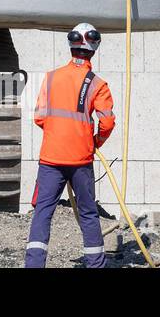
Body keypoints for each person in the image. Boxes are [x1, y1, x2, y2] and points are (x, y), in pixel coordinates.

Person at [25, 22, 115, 268]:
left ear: (71, 46)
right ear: (94, 48)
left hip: (51, 159)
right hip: (81, 160)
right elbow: (107, 122)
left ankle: (33, 265)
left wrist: (58, 134)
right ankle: (95, 264)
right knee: (87, 213)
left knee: (43, 212)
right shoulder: (98, 84)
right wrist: (94, 141)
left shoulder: (51, 78)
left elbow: (39, 117)